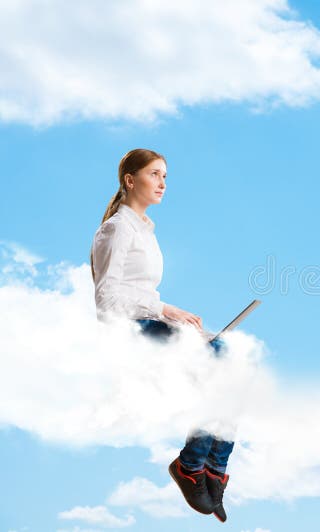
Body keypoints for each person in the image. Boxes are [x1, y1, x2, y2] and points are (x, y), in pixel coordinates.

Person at [90, 148, 233, 522]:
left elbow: (140, 292)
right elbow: (107, 301)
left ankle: (214, 469)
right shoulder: (116, 229)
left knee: (230, 360)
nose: (163, 184)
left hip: (149, 321)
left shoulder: (145, 230)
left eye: (165, 177)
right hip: (131, 331)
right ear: (130, 180)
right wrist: (166, 311)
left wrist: (176, 318)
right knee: (216, 354)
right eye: (155, 175)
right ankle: (191, 466)